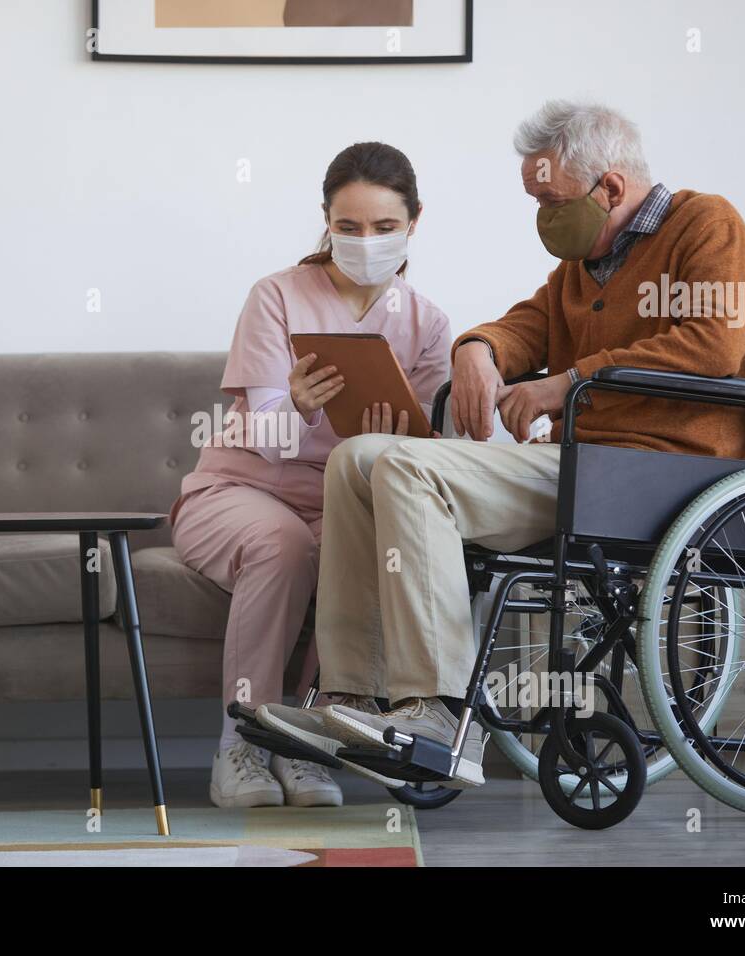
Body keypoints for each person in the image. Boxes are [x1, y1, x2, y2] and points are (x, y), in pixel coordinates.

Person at [259, 100, 745, 790]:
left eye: (549, 199)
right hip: (581, 469)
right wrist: (476, 349)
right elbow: (521, 327)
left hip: (661, 470)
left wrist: (566, 383)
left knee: (408, 468)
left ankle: (437, 712)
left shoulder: (707, 225)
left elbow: (713, 347)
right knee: (359, 457)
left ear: (609, 188)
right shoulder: (582, 266)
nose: (542, 217)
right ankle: (353, 696)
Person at [171, 142, 451, 807]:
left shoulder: (428, 324)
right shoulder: (276, 297)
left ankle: (309, 742)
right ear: (326, 221)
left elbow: (437, 448)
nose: (366, 242)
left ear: (414, 222)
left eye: (384, 227)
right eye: (348, 227)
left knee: (363, 552)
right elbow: (263, 437)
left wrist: (391, 437)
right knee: (284, 543)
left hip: (344, 500)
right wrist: (295, 405)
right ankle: (241, 743)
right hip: (241, 491)